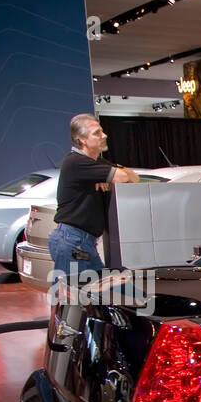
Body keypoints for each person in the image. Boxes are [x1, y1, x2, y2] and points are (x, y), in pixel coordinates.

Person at [49, 114, 139, 295]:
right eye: (97, 133)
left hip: (83, 243)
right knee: (70, 299)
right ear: (82, 139)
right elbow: (122, 177)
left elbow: (133, 177)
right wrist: (114, 176)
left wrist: (111, 175)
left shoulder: (96, 163)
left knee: (105, 291)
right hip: (73, 241)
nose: (104, 135)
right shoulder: (76, 162)